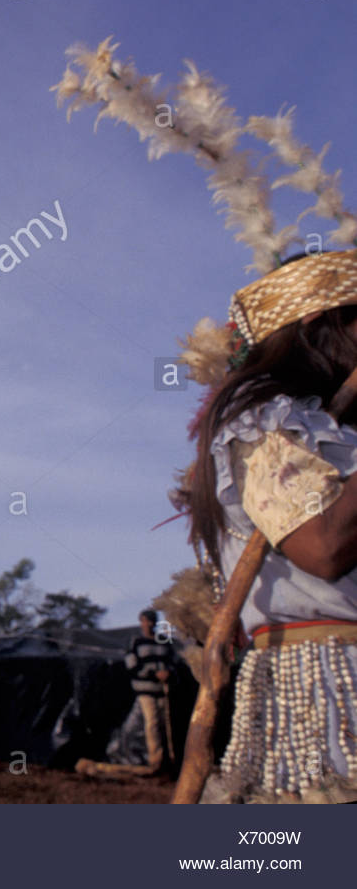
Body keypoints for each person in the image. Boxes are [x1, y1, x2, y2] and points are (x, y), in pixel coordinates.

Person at [184, 250, 357, 803]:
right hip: (329, 695)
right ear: (318, 322)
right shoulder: (258, 420)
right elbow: (323, 546)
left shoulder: (332, 427)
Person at [124, 609, 175, 773]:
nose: (147, 625)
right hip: (145, 689)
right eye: (144, 621)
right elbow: (131, 665)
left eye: (150, 621)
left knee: (164, 723)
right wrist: (153, 674)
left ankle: (169, 759)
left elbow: (173, 661)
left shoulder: (164, 642)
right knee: (151, 723)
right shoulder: (136, 642)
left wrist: (168, 673)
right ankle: (155, 760)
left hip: (163, 689)